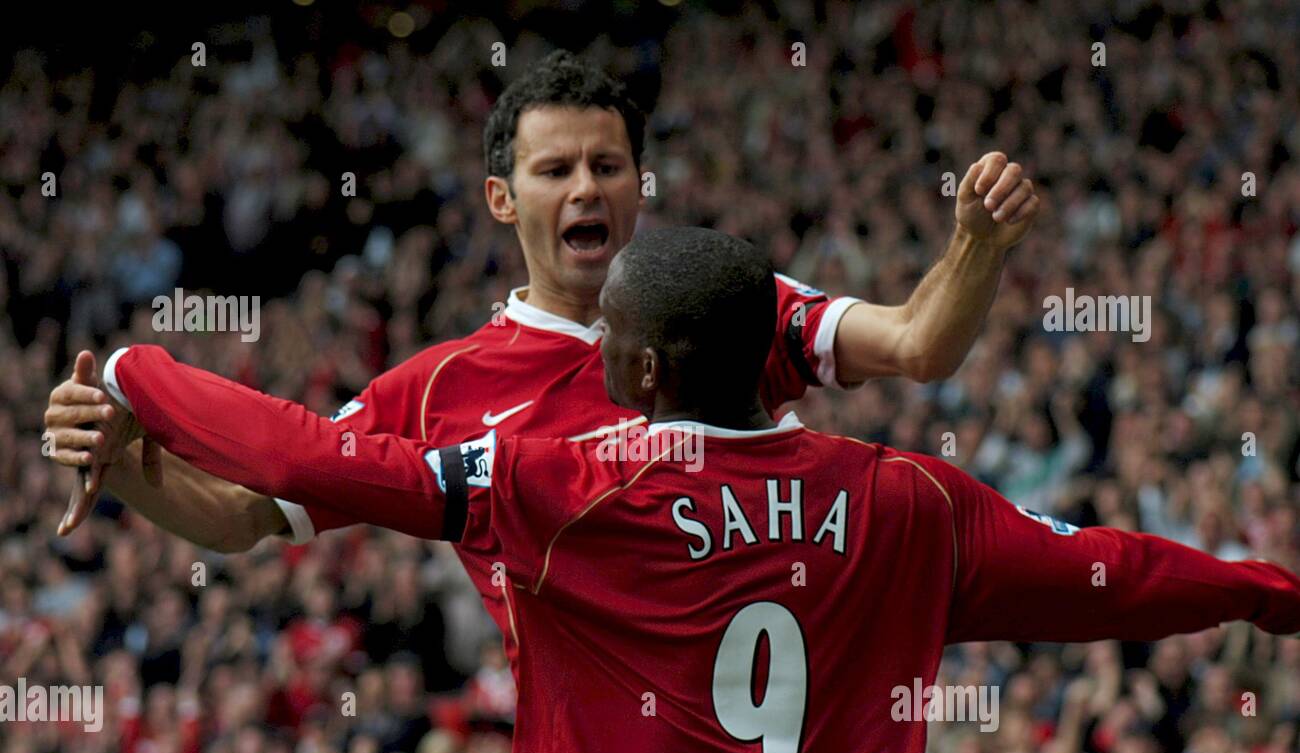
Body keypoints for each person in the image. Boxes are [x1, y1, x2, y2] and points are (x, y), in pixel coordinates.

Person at [85, 227, 1300, 753]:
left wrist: (144, 374)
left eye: (610, 331)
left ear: (648, 368)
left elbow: (307, 465)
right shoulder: (905, 500)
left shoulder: (561, 490)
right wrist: (1273, 594)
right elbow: (1118, 573)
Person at [46, 51, 1040, 675]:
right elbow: (244, 516)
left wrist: (977, 249)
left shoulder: (724, 304)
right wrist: (130, 457)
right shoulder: (437, 387)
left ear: (637, 184)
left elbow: (918, 343)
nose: (585, 187)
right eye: (554, 169)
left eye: (606, 166)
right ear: (501, 198)